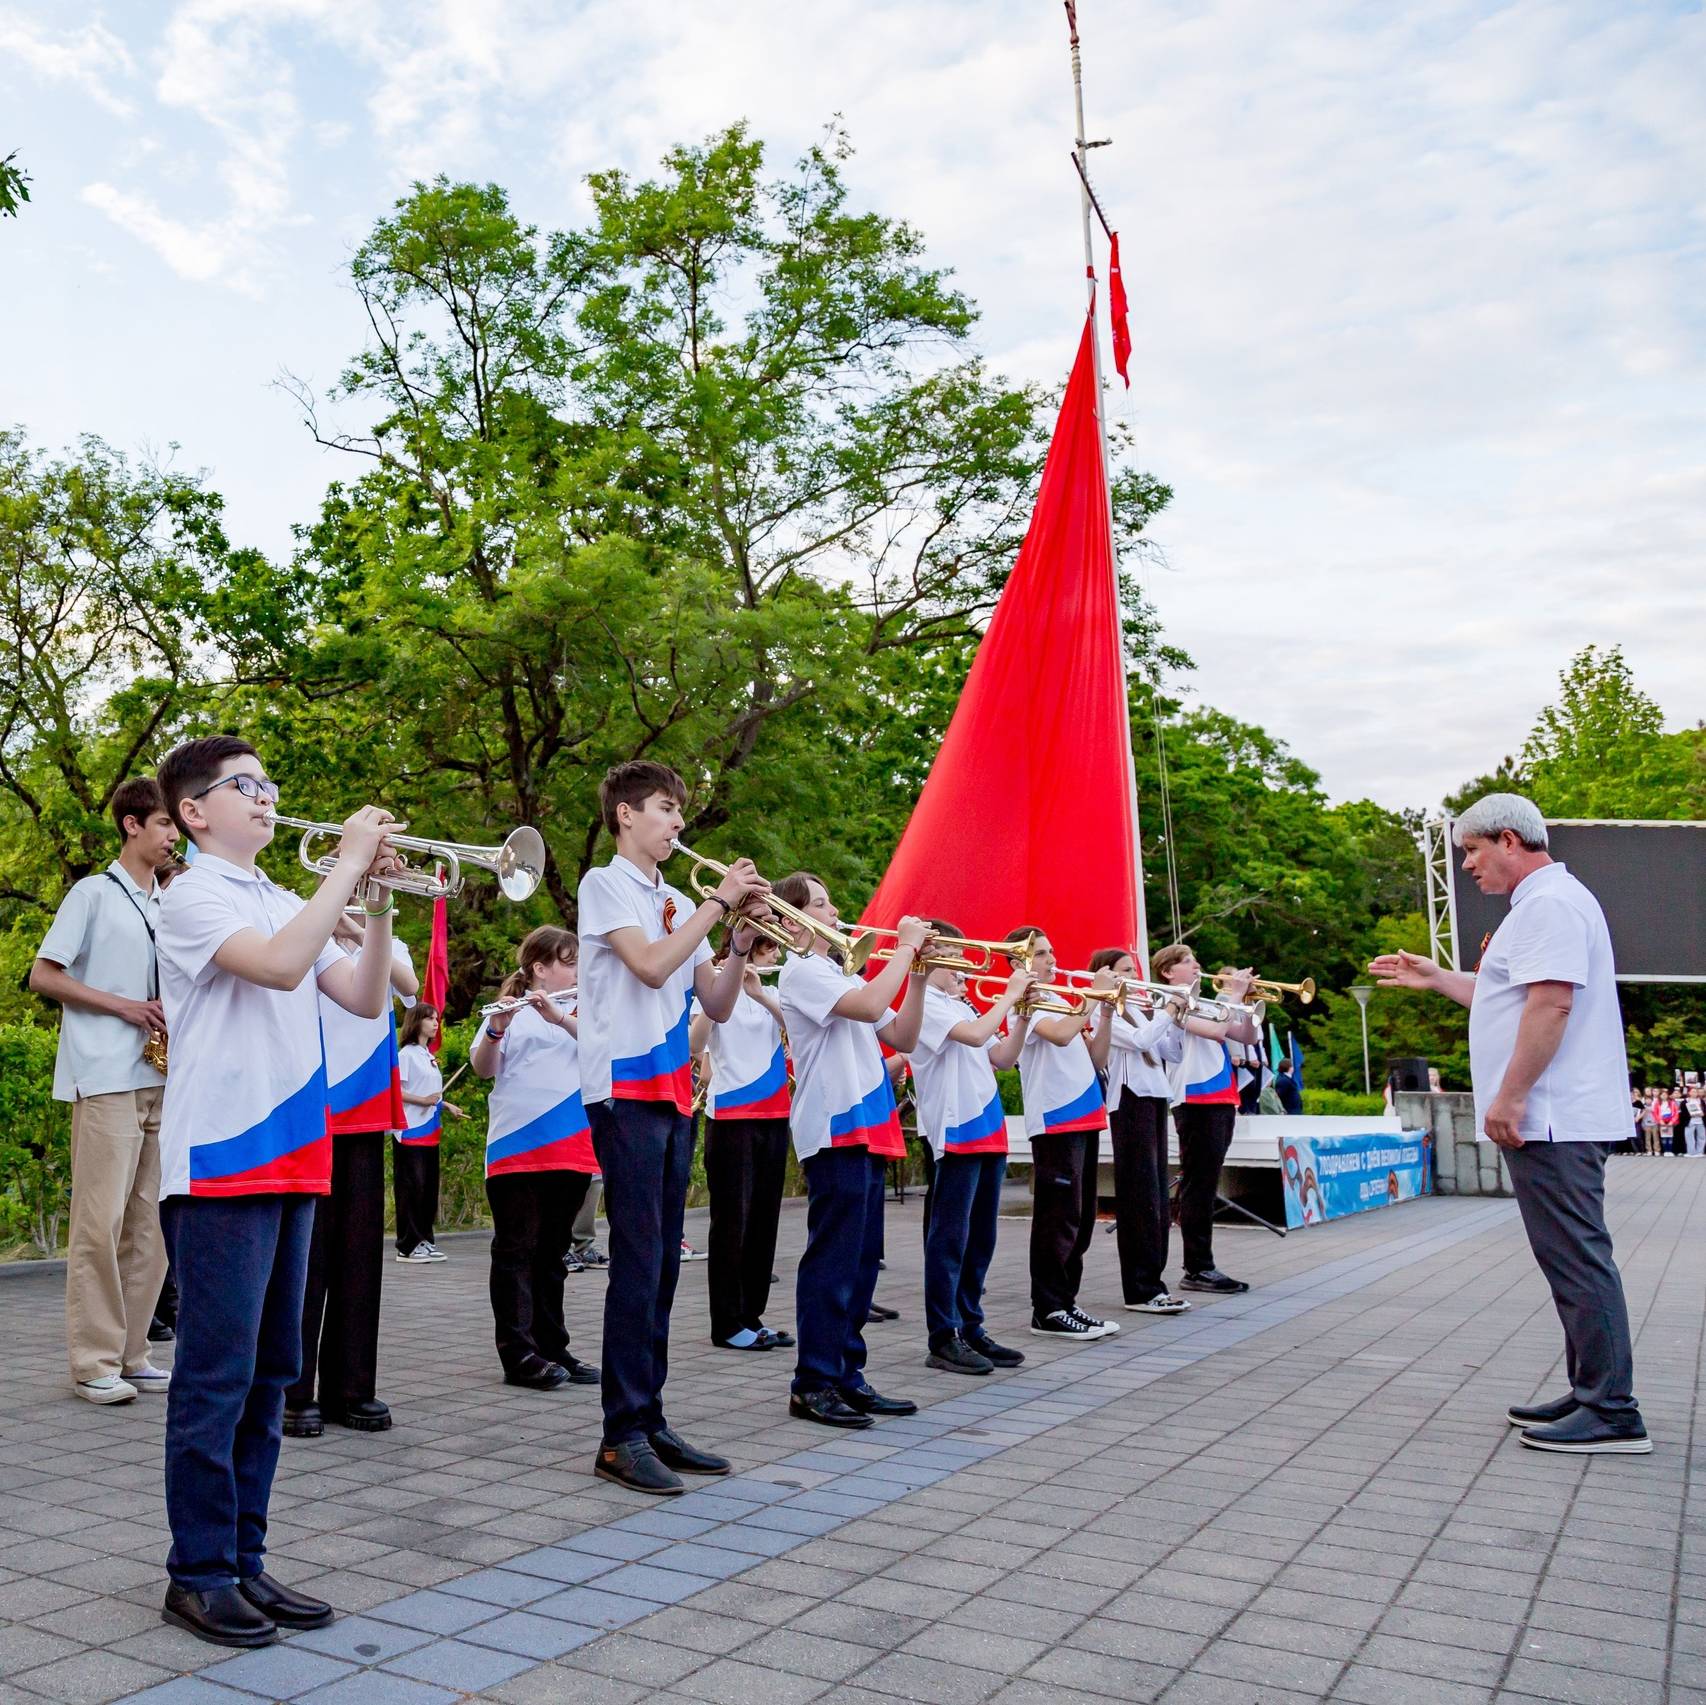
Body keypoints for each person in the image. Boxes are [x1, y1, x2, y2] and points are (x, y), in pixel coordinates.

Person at [153, 734, 401, 1645]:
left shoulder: (279, 895)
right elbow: (278, 965)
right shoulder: (189, 895)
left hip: (297, 1154)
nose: (266, 798)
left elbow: (367, 999)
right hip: (221, 1157)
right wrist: (342, 867)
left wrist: (374, 905)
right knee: (216, 1377)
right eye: (244, 786)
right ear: (192, 812)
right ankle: (198, 1568)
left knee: (272, 1373)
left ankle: (245, 1560)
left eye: (269, 785)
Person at [1372, 791, 1650, 1455]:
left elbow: (1550, 1004)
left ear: (1507, 838)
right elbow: (1512, 993)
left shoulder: (1549, 905)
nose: (1468, 865)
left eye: (1472, 849)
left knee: (1578, 1259)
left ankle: (1611, 1408)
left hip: (1553, 1115)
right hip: (1555, 1114)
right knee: (1570, 1258)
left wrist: (1511, 1095)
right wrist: (1441, 978)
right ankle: (1593, 1389)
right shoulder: (1546, 903)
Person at [575, 761, 768, 1494]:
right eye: (665, 808)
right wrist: (718, 904)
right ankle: (620, 1433)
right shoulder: (605, 884)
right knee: (636, 1259)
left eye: (679, 811)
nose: (678, 823)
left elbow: (713, 1003)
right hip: (622, 1087)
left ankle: (649, 1416)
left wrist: (740, 945)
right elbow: (652, 966)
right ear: (626, 815)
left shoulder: (671, 897)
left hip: (671, 1091)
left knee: (659, 1266)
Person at [30, 777, 179, 1405]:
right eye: (168, 824)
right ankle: (93, 1362)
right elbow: (43, 974)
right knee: (101, 1221)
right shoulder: (92, 892)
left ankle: (133, 1352)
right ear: (133, 826)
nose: (177, 835)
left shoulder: (169, 900)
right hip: (108, 1076)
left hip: (164, 1075)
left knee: (152, 1226)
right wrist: (123, 1007)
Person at [775, 876, 927, 1426]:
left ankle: (846, 1373)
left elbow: (904, 1037)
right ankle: (813, 1382)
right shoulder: (802, 971)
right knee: (833, 1260)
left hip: (869, 1123)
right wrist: (906, 948)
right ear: (792, 920)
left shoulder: (842, 971)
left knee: (863, 1262)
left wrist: (922, 978)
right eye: (821, 903)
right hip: (835, 1124)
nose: (836, 910)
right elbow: (866, 1007)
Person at [284, 911, 418, 1438]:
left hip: (365, 1111)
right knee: (307, 1257)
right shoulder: (305, 927)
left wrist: (367, 927)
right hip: (313, 1107)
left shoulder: (387, 936)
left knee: (360, 1256)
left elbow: (411, 989)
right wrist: (329, 920)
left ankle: (351, 1388)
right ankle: (292, 1390)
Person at [470, 927, 600, 1392]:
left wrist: (560, 1016)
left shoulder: (587, 1008)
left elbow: (603, 1047)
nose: (578, 969)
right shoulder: (510, 1013)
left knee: (552, 1254)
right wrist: (496, 1028)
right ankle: (518, 1352)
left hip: (571, 1145)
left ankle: (552, 1345)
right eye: (569, 961)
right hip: (515, 1147)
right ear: (539, 969)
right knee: (515, 1251)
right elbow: (484, 1067)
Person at [906, 932, 1031, 1374]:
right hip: (956, 1127)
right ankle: (943, 1335)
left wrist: (1021, 1015)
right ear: (925, 960)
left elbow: (1002, 1057)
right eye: (951, 957)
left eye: (961, 955)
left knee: (981, 1239)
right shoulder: (926, 1004)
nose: (961, 965)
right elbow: (977, 1037)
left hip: (987, 1126)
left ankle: (971, 1325)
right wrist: (1011, 994)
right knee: (950, 1240)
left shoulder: (963, 1002)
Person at [1009, 928, 1121, 1340]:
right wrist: (1093, 995)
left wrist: (1105, 1011)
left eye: (1051, 951)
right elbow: (1058, 1035)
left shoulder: (1059, 1000)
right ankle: (1048, 1307)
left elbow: (1097, 1057)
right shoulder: (1027, 1000)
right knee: (1058, 1218)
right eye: (1040, 953)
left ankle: (1067, 1300)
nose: (1051, 959)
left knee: (1082, 1218)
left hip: (1085, 1116)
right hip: (1055, 1119)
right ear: (1019, 962)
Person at [689, 934, 794, 1352]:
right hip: (731, 1115)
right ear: (756, 949)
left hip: (774, 1113)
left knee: (764, 1221)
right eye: (772, 951)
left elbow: (801, 1033)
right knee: (733, 1222)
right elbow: (695, 1045)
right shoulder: (714, 985)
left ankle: (753, 1315)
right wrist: (725, 993)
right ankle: (727, 1322)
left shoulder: (771, 990)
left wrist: (760, 994)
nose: (778, 957)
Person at [1152, 945, 1261, 1295]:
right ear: (1168, 971)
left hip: (1220, 1096)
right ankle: (1198, 1267)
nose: (1197, 964)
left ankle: (1201, 1264)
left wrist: (1246, 1004)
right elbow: (1214, 1031)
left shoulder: (1208, 1002)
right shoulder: (1169, 1001)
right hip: (1195, 1098)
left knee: (1206, 1180)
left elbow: (1246, 1036)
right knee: (1199, 1183)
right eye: (1187, 961)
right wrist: (1234, 994)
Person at [1090, 947, 1190, 1316]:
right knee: (1139, 1199)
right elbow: (1142, 1041)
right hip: (1129, 1102)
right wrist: (1167, 1010)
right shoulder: (1109, 1012)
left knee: (1157, 1201)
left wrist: (1177, 1019)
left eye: (1134, 969)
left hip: (1153, 1097)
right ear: (1107, 974)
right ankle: (1140, 1288)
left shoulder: (1137, 1009)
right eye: (1126, 970)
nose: (1134, 976)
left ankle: (1155, 1283)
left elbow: (1172, 1053)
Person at [394, 1003, 465, 1261]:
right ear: (416, 1022)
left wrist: (445, 1105)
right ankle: (407, 1244)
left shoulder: (427, 1055)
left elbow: (432, 1094)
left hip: (431, 1131)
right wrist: (423, 1101)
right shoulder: (407, 1055)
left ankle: (424, 1239)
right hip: (411, 1131)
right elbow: (396, 1091)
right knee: (412, 1188)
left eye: (437, 1019)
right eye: (430, 1018)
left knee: (427, 1190)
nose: (436, 1023)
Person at [1685, 1087, 1706, 1158]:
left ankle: (1700, 1152)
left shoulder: (1701, 1101)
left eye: (1695, 1092)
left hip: (1700, 1121)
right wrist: (1689, 1115)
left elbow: (1705, 1110)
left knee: (1701, 1137)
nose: (1694, 1093)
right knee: (1689, 1137)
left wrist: (1703, 1113)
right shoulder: (1686, 1101)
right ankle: (1691, 1152)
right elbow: (1682, 1112)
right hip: (1690, 1121)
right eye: (1692, 1091)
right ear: (1689, 1093)